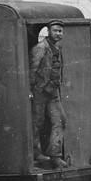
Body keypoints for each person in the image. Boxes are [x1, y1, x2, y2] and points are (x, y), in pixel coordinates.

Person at [29, 20, 67, 167]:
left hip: (53, 92)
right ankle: (37, 153)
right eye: (55, 30)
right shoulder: (40, 48)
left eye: (60, 31)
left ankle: (55, 155)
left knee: (61, 120)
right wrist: (30, 90)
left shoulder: (57, 48)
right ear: (48, 32)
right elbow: (32, 70)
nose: (58, 34)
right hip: (39, 91)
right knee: (37, 122)